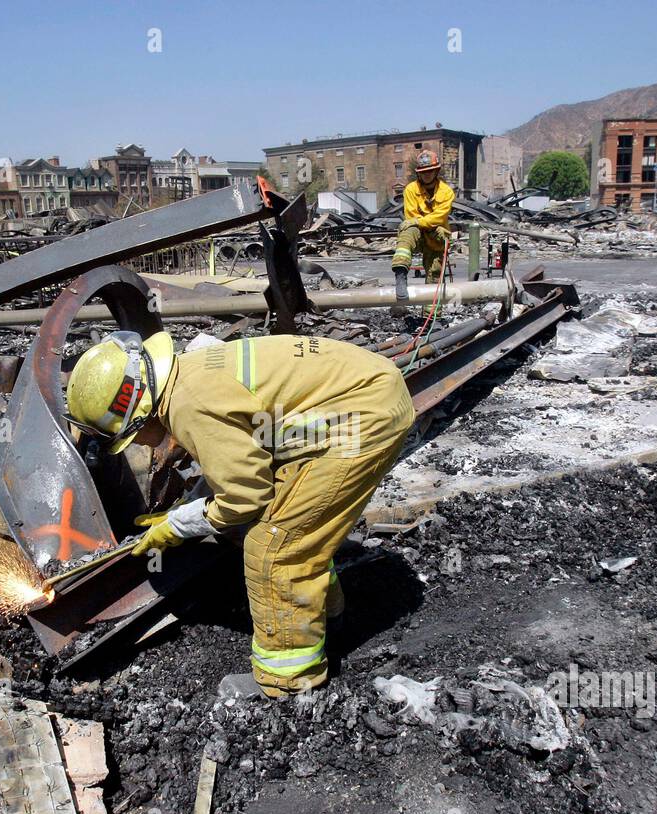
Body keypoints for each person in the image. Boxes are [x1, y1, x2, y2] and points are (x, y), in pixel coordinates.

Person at [65, 329, 414, 698]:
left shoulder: (189, 406)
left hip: (362, 418)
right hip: (362, 395)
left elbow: (245, 498)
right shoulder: (186, 375)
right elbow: (236, 468)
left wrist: (180, 525)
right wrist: (187, 509)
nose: (135, 444)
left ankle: (289, 680)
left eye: (129, 437)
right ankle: (327, 617)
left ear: (140, 415)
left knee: (275, 546)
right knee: (293, 523)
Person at [390, 149, 455, 322]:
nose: (426, 175)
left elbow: (441, 216)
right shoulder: (411, 189)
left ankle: (431, 320)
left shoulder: (446, 192)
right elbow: (412, 217)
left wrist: (428, 224)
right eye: (423, 172)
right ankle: (400, 272)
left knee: (434, 278)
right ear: (419, 173)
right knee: (407, 229)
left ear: (436, 171)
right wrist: (426, 224)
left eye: (429, 171)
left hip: (437, 240)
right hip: (419, 232)